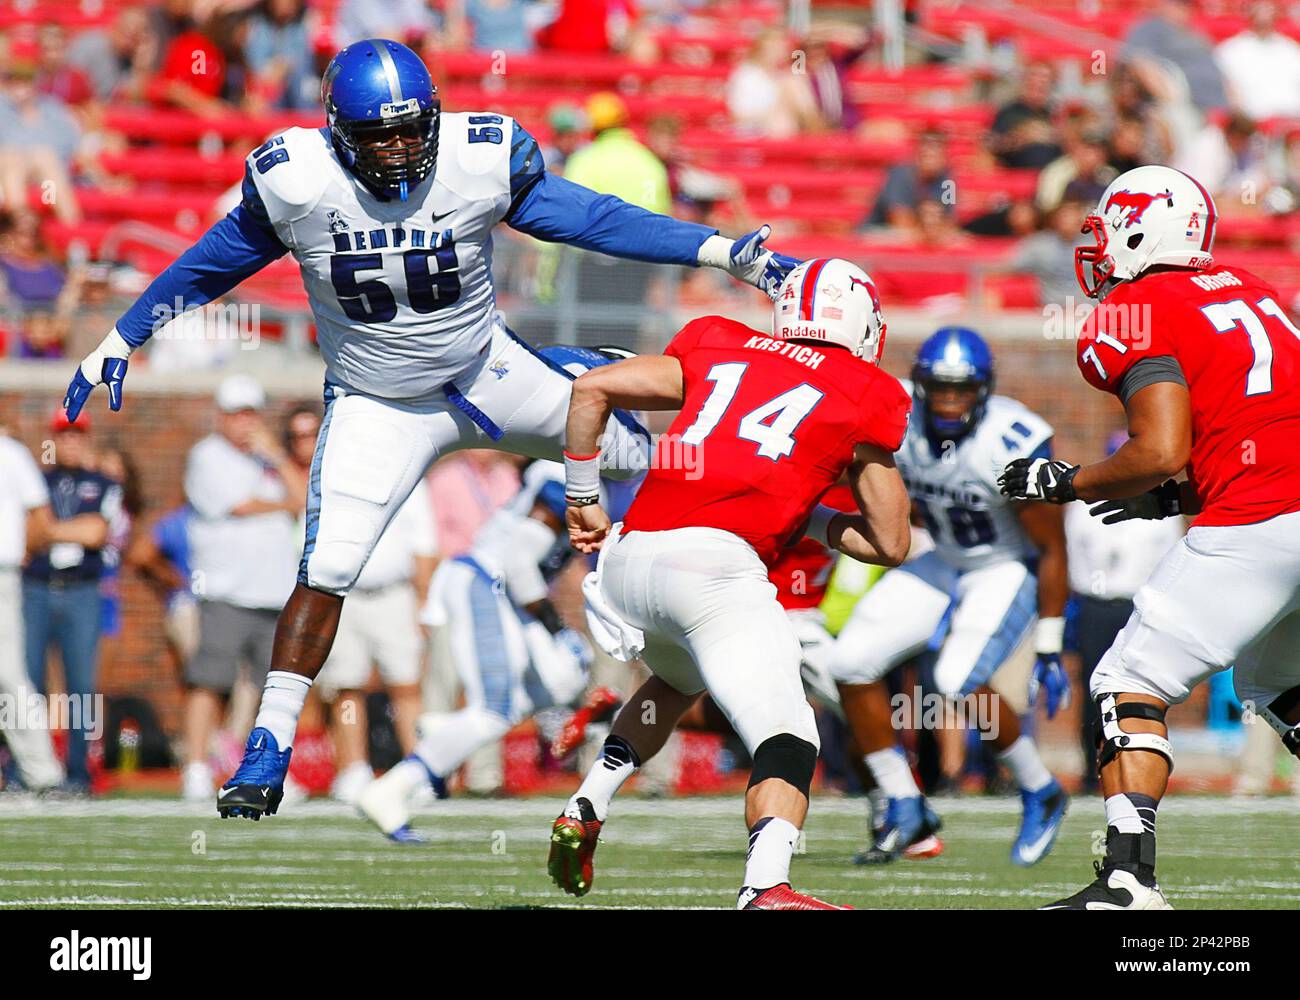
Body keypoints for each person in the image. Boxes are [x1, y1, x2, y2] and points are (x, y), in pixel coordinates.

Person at [59, 38, 798, 821]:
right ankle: (269, 740)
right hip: (378, 403)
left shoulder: (477, 157)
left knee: (644, 459)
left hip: (486, 372)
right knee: (330, 562)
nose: (403, 149)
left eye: (415, 130)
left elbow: (587, 218)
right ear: (341, 132)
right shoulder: (296, 180)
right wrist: (125, 334)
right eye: (382, 136)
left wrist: (715, 249)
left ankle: (743, 566)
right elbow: (215, 261)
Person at [549, 258, 913, 909]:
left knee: (675, 681)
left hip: (630, 559)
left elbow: (591, 390)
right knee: (791, 736)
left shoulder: (722, 340)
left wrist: (582, 497)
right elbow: (890, 540)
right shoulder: (866, 390)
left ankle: (587, 801)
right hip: (711, 573)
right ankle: (765, 885)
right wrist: (820, 516)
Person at [1000, 163, 1300, 909]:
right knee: (1279, 684)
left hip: (1260, 523)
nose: (1099, 249)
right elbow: (1257, 429)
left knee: (1125, 681)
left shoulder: (1136, 309)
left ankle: (1128, 882)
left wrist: (1067, 480)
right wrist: (1173, 497)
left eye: (1107, 229)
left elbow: (1161, 446)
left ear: (1139, 229)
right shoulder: (1255, 291)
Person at [359, 346, 628, 840]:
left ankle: (441, 734)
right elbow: (519, 559)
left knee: (558, 685)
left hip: (500, 585)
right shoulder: (564, 475)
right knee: (496, 708)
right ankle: (395, 786)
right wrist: (553, 625)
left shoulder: (569, 471)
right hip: (488, 580)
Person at [826, 327, 1071, 867]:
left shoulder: (1011, 441)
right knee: (847, 661)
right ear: (919, 385)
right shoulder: (902, 426)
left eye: (961, 389)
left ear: (983, 389)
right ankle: (905, 801)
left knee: (956, 681)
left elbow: (1052, 546)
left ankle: (1041, 787)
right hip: (942, 556)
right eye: (937, 388)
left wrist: (1051, 639)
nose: (948, 400)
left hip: (1003, 566)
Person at [179, 375, 304, 802]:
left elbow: (304, 498)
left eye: (251, 413)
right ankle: (196, 766)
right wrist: (283, 503)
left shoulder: (269, 459)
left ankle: (266, 769)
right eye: (236, 414)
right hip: (227, 590)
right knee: (210, 681)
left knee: (276, 689)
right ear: (221, 417)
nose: (245, 423)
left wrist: (278, 458)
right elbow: (239, 505)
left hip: (274, 592)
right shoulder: (207, 457)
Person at [1064, 430, 1185, 792]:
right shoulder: (1084, 505)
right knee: (1094, 689)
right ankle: (1092, 767)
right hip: (1096, 606)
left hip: (1141, 605)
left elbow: (1173, 556)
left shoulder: (1160, 509)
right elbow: (1074, 554)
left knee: (1146, 690)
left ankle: (1145, 766)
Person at [317, 476, 438, 804]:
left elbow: (424, 540)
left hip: (394, 592)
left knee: (406, 685)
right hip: (343, 594)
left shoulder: (407, 475)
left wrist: (423, 598)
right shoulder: (335, 473)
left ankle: (417, 769)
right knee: (346, 685)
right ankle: (354, 769)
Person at [23, 410, 123, 795]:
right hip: (38, 587)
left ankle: (79, 771)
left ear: (86, 439)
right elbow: (29, 538)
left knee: (81, 684)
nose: (70, 443)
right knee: (29, 683)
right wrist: (62, 531)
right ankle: (28, 768)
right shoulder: (37, 482)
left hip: (82, 589)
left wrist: (50, 530)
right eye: (63, 436)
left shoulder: (102, 483)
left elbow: (97, 533)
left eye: (76, 436)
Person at [0, 432, 65, 793]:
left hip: (1, 574)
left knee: (9, 676)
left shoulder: (10, 454)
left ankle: (43, 774)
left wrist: (19, 551)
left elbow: (41, 517)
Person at [1214, 1, 1300, 122]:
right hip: (1252, 123)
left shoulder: (1291, 50)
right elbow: (1229, 92)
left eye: (1268, 9)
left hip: (1292, 120)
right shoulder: (1229, 50)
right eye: (1260, 9)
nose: (1264, 15)